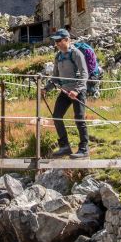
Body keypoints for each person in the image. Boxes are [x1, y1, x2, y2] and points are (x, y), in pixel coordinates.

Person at [45, 29, 90, 158]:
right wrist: (46, 88)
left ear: (67, 40)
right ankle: (65, 147)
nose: (57, 43)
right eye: (55, 41)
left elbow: (84, 74)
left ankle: (84, 149)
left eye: (59, 40)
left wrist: (77, 90)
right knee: (57, 116)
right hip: (65, 91)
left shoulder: (76, 54)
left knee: (79, 118)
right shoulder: (58, 56)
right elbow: (55, 77)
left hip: (78, 91)